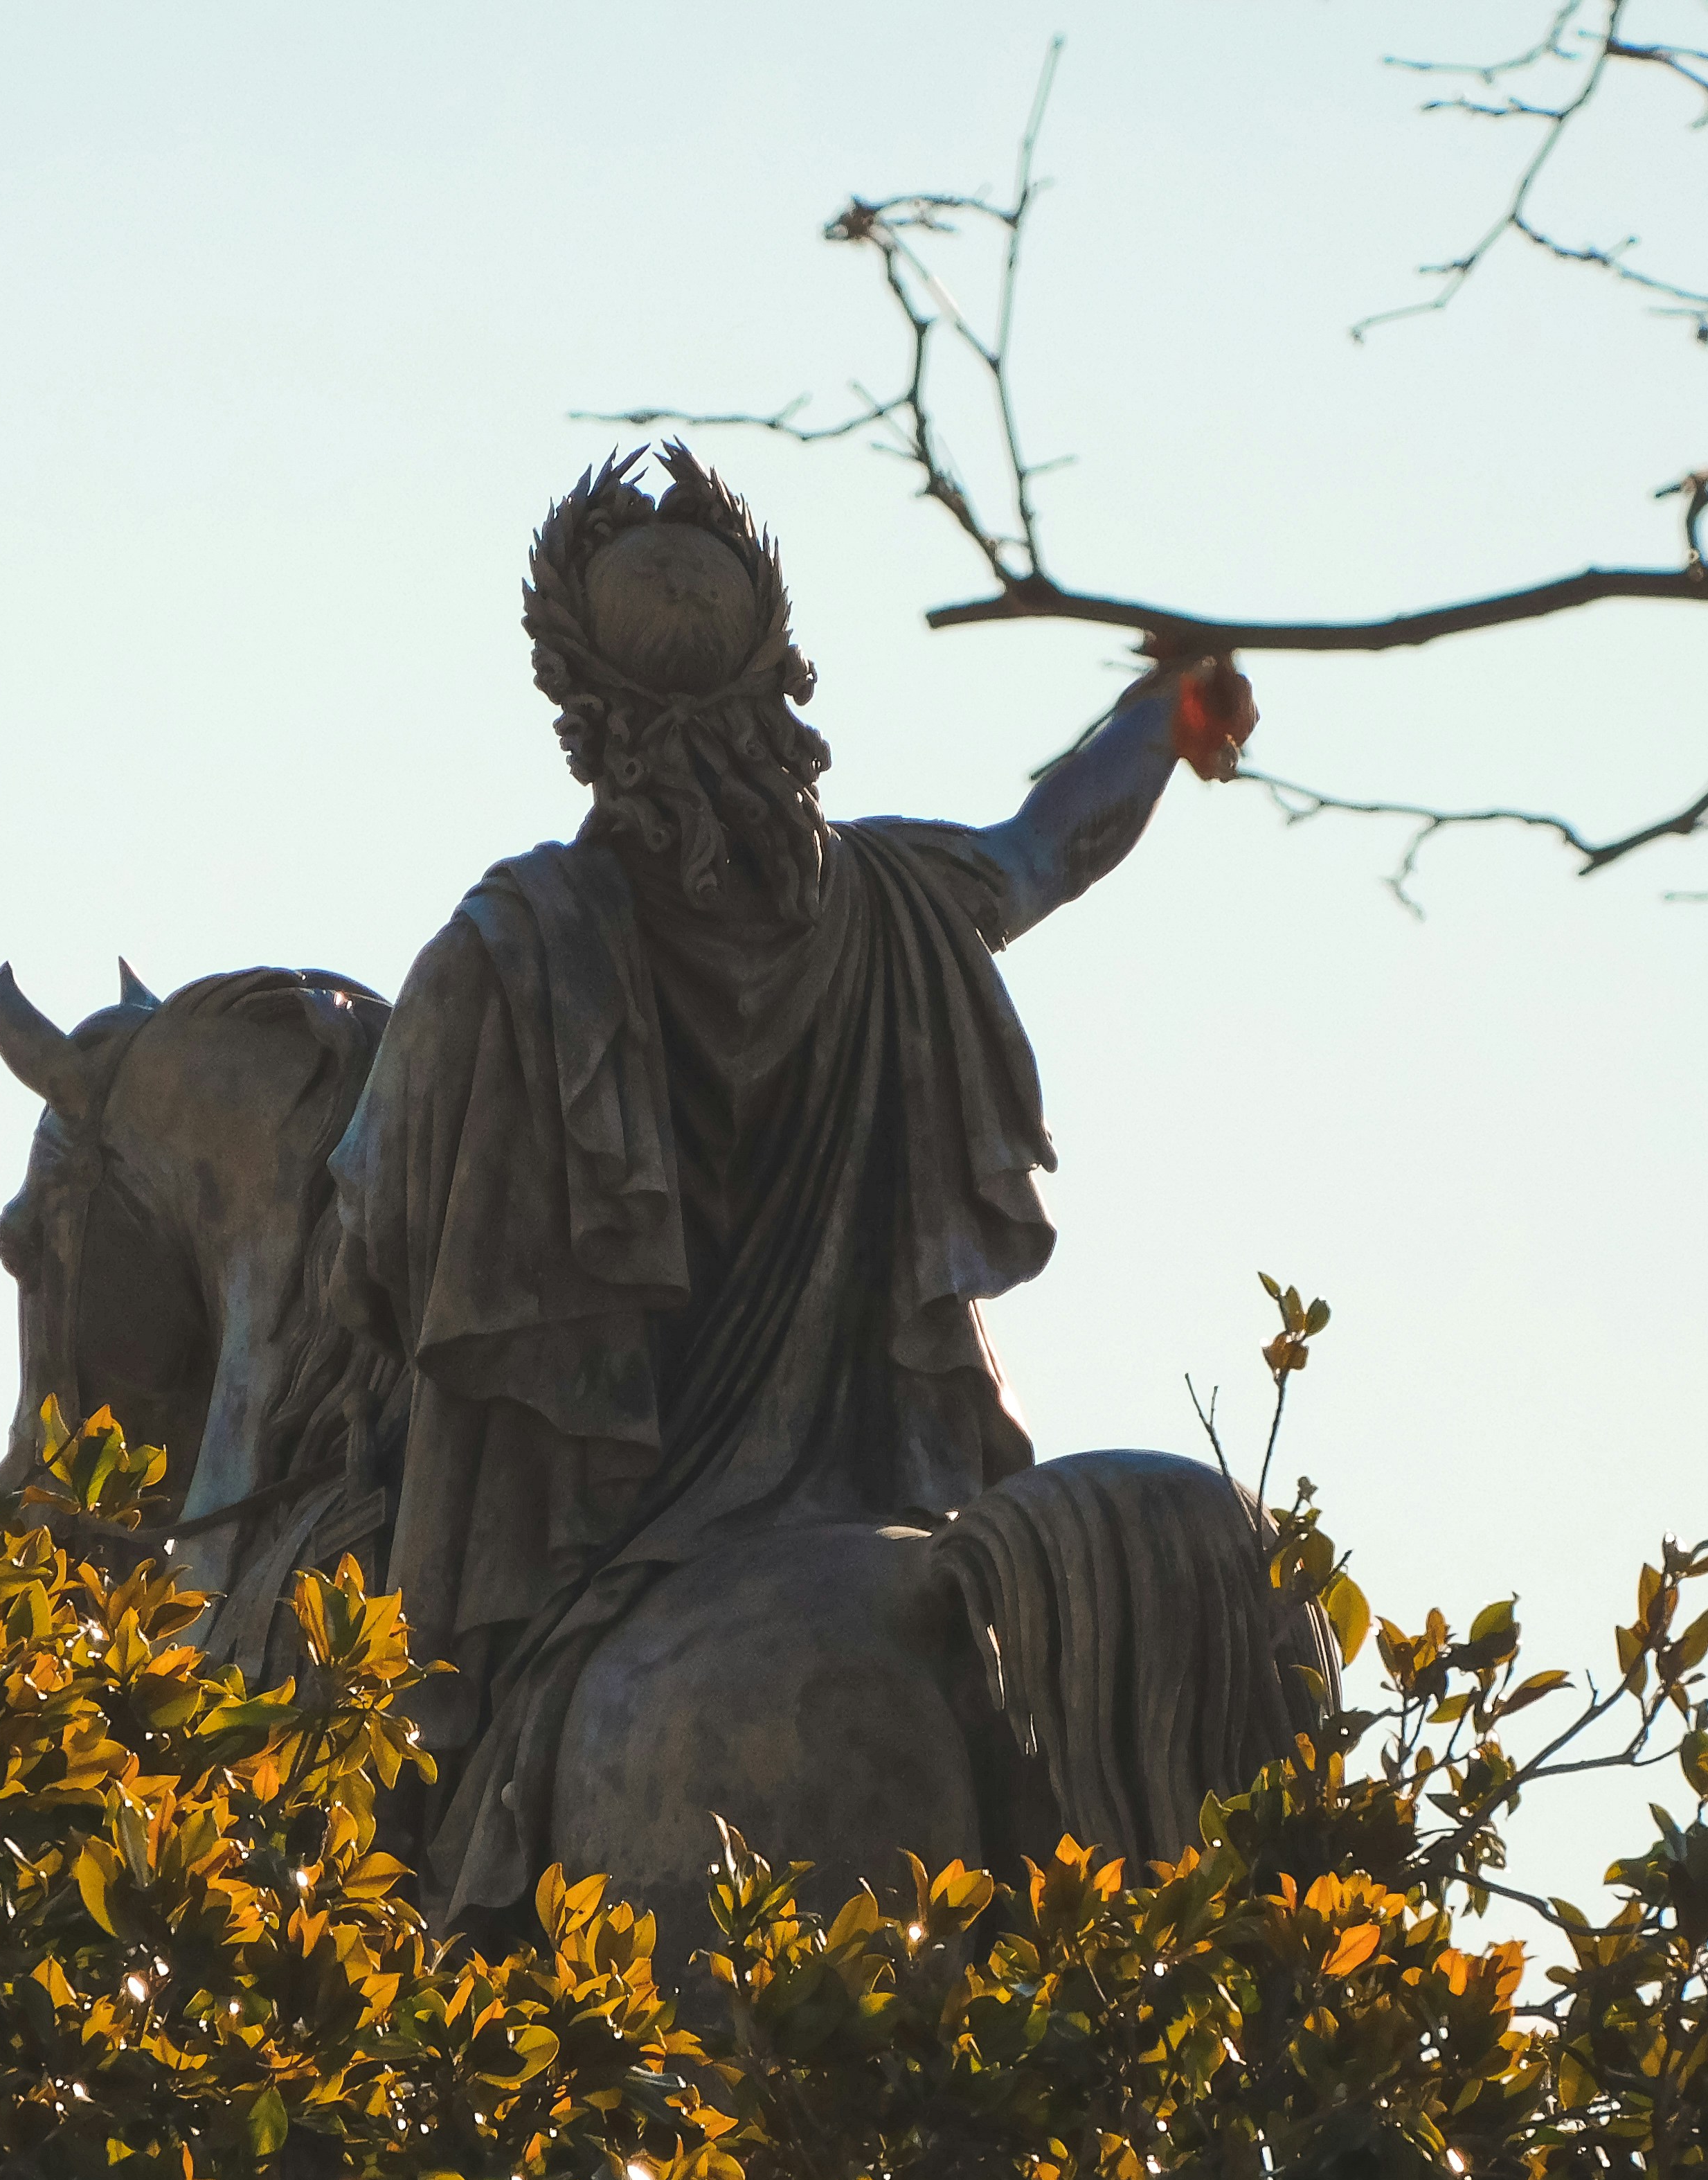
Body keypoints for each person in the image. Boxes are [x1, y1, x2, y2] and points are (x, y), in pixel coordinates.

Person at [325, 445, 1254, 1921]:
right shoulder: (898, 903)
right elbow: (1051, 844)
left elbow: (366, 1241)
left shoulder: (511, 945)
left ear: (577, 701)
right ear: (780, 665)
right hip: (905, 1495)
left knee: (413, 1851)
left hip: (629, 1545)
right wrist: (1169, 715)